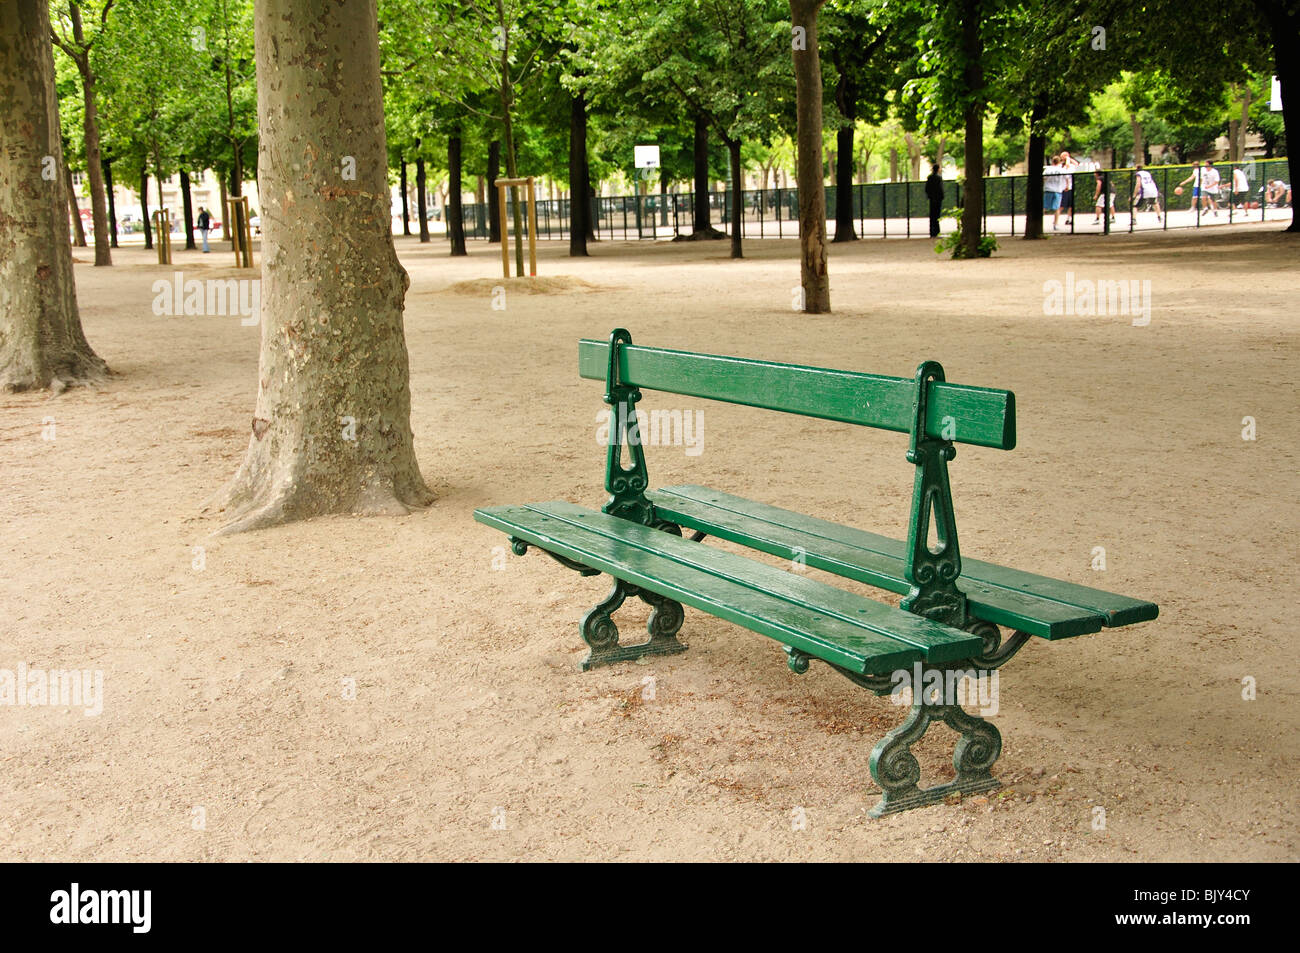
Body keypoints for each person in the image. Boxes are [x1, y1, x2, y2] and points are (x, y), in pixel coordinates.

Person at [1043, 154, 1068, 231]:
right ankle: (1055, 224)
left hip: (1048, 189)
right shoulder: (1062, 170)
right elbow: (1066, 178)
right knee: (1057, 208)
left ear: (1052, 162)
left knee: (1044, 207)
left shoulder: (1048, 170)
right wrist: (1067, 186)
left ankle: (1039, 222)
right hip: (1058, 189)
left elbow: (1044, 178)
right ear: (1059, 162)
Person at [1059, 150, 1080, 225]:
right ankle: (1056, 220)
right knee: (1061, 205)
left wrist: (1069, 158)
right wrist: (1067, 159)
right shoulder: (1062, 166)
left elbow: (1076, 164)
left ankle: (1069, 218)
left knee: (1071, 205)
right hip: (1065, 188)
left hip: (1070, 187)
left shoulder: (1071, 165)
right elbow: (1067, 172)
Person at [925, 164, 944, 238]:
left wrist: (929, 196)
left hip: (932, 199)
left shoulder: (930, 177)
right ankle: (937, 231)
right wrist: (941, 197)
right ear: (938, 169)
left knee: (932, 215)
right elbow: (940, 188)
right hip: (938, 199)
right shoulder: (939, 178)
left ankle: (932, 232)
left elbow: (927, 188)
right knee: (937, 215)